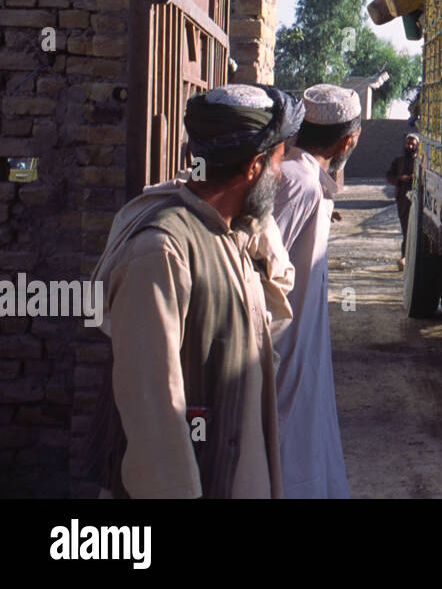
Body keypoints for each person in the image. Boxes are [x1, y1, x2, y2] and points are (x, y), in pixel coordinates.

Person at [88, 83, 303, 498]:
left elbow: (271, 313)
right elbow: (156, 418)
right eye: (278, 162)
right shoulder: (160, 253)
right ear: (255, 167)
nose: (281, 176)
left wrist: (256, 221)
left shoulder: (232, 233)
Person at [272, 84, 361, 499]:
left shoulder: (309, 179)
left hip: (302, 350)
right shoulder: (298, 182)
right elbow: (255, 266)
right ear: (348, 140)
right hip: (282, 349)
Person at [387, 133, 419, 264]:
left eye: (413, 144)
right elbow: (389, 175)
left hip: (417, 199)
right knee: (406, 228)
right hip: (403, 200)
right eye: (408, 143)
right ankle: (405, 256)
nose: (410, 146)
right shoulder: (399, 160)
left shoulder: (421, 161)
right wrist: (400, 179)